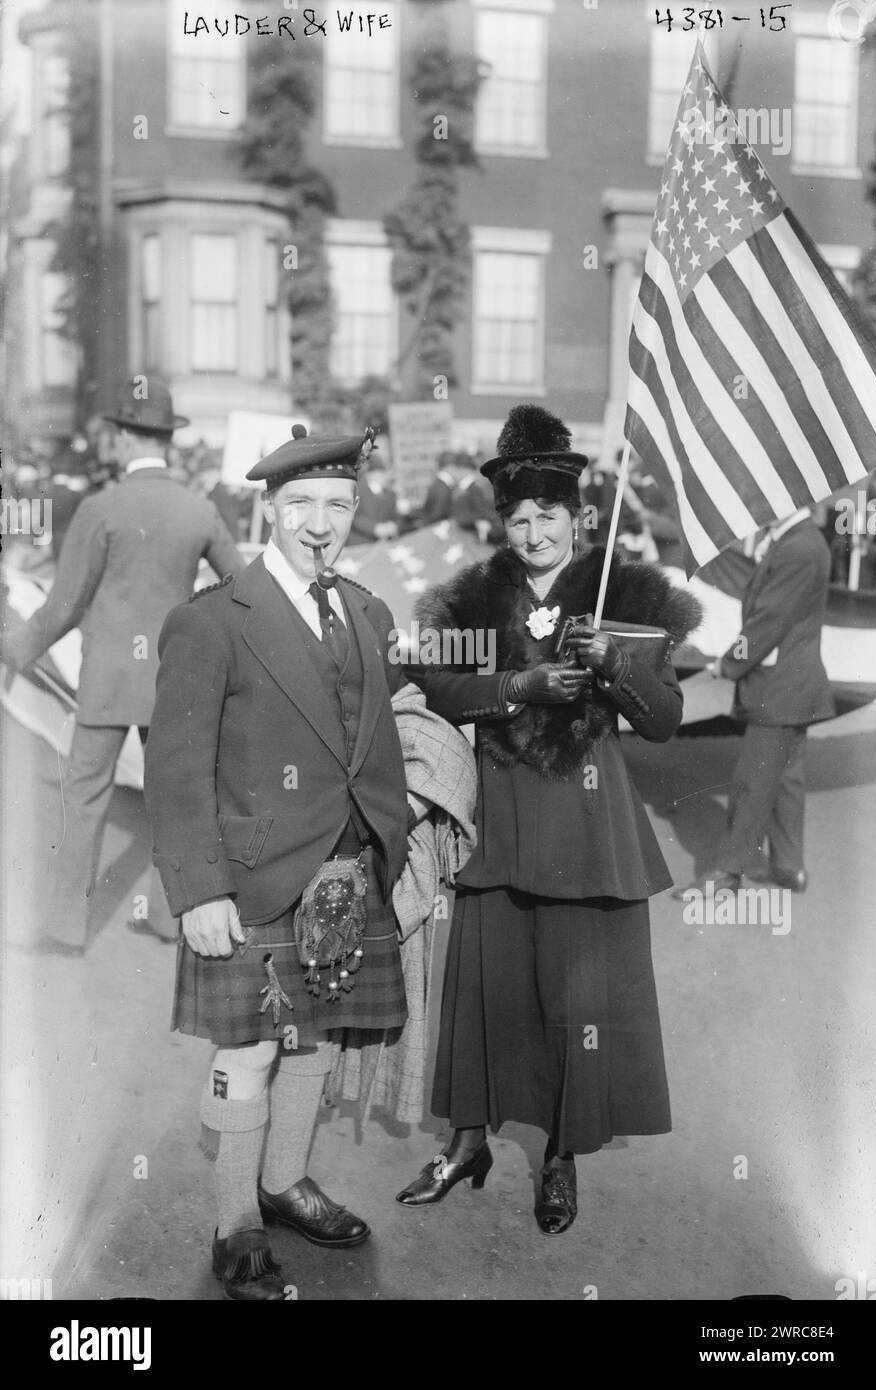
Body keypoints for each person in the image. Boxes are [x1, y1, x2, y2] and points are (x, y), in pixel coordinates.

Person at [395, 405, 702, 1234]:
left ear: (578, 516)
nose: (532, 532)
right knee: (486, 985)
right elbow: (438, 683)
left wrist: (616, 664)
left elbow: (665, 717)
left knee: (576, 1001)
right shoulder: (474, 597)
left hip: (586, 827)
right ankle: (467, 1142)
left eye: (548, 516)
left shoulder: (624, 593)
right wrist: (517, 689)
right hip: (499, 821)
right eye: (518, 518)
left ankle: (561, 1157)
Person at [142, 425, 416, 1301]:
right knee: (251, 1051)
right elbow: (177, 768)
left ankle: (286, 1179)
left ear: (356, 512)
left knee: (318, 1043)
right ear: (269, 509)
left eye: (338, 505)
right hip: (255, 877)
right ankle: (235, 1223)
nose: (320, 522)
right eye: (301, 504)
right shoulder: (211, 620)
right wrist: (199, 889)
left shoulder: (368, 612)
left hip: (349, 872)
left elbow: (387, 721)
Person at [0, 376, 244, 955]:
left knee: (84, 799)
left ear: (127, 439)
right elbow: (241, 588)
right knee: (174, 801)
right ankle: (167, 919)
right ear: (164, 437)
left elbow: (65, 603)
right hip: (172, 681)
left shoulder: (100, 508)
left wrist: (16, 650)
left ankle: (64, 929)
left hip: (106, 683)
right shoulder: (199, 510)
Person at [674, 507, 834, 898]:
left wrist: (727, 663)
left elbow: (767, 621)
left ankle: (728, 871)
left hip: (779, 688)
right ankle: (788, 866)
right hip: (792, 686)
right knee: (787, 778)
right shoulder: (798, 541)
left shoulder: (798, 546)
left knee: (754, 780)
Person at [345, 450, 400, 544]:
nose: (389, 477)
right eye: (385, 473)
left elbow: (395, 518)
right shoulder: (356, 490)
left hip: (384, 545)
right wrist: (374, 528)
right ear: (373, 474)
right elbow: (352, 516)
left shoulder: (391, 494)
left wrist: (393, 526)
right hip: (360, 544)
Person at [416, 450, 471, 528]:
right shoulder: (442, 488)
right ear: (450, 467)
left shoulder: (440, 485)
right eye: (457, 468)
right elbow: (437, 514)